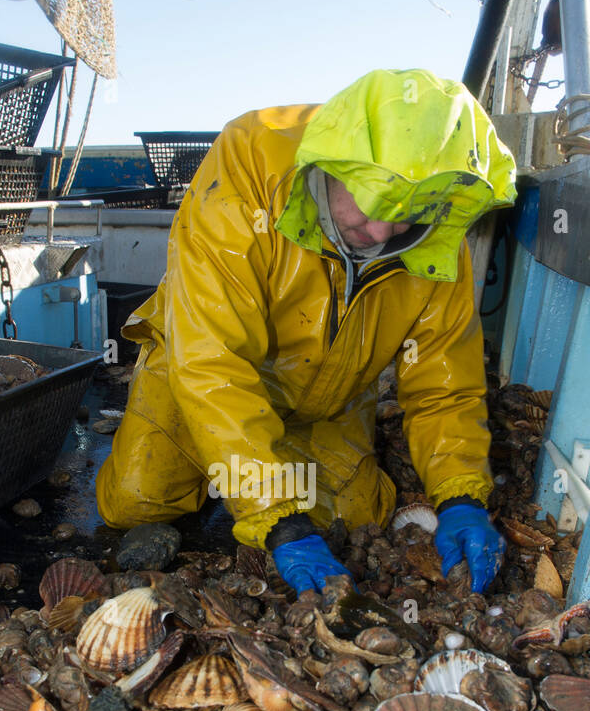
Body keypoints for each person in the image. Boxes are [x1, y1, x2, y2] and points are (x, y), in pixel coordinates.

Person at [96, 68, 518, 593]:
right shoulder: (247, 165)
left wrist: (461, 497)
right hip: (205, 374)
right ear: (331, 163)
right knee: (135, 500)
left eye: (408, 214)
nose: (382, 233)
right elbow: (212, 359)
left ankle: (252, 466)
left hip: (330, 399)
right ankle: (225, 464)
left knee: (358, 521)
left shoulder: (435, 235)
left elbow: (442, 384)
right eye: (371, 201)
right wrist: (280, 520)